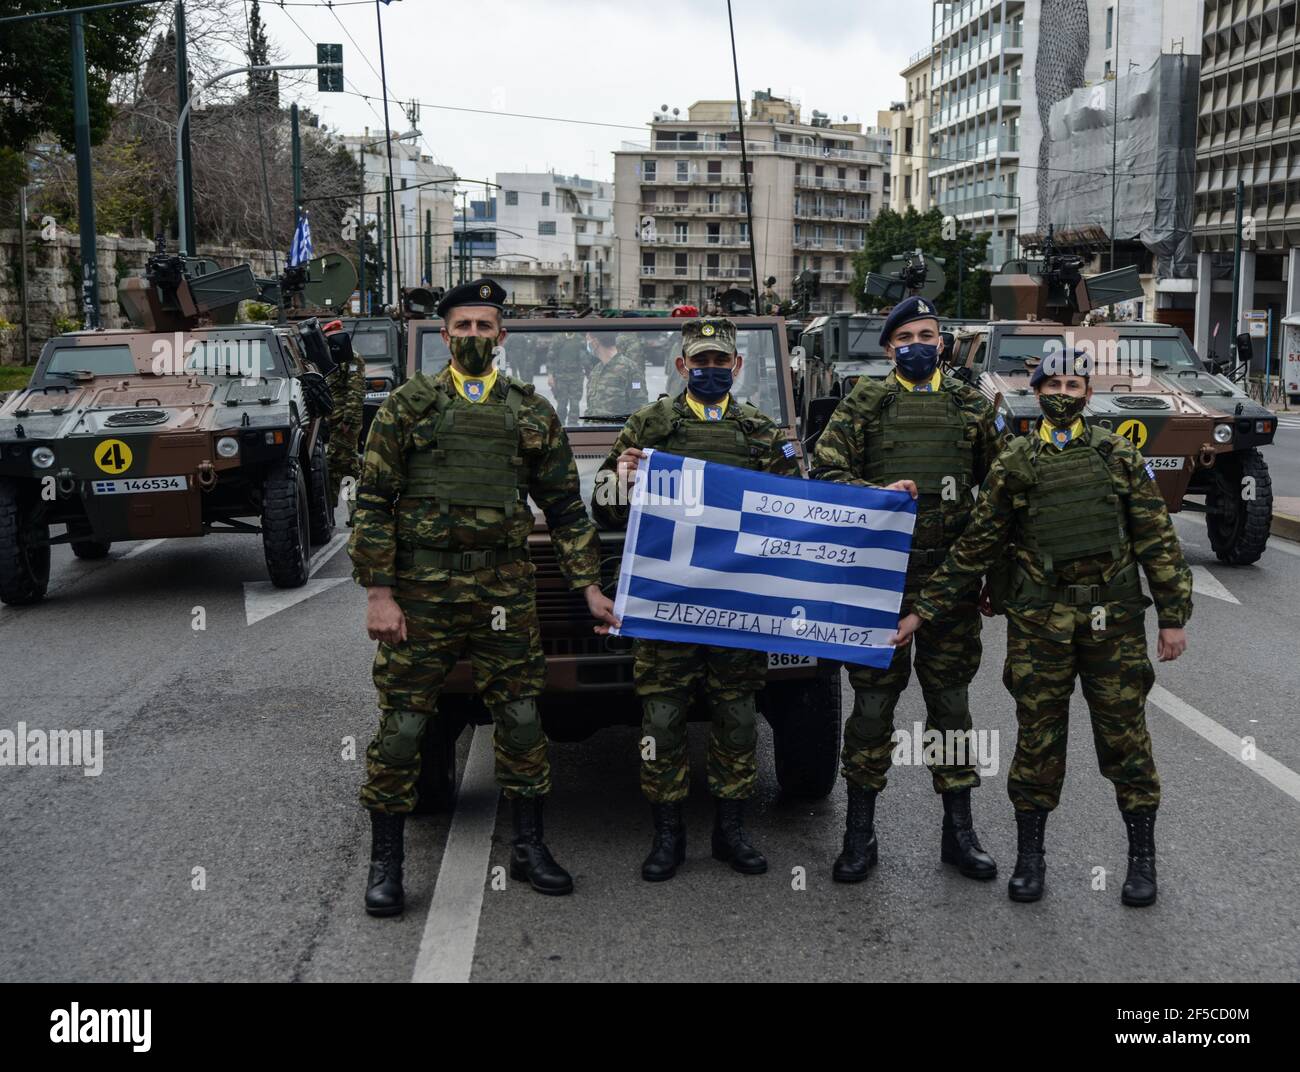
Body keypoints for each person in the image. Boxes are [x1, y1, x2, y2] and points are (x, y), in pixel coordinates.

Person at [350, 278, 618, 915]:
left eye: (484, 326)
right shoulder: (407, 407)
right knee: (404, 727)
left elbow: (564, 509)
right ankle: (385, 865)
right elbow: (373, 504)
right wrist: (379, 594)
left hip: (503, 589)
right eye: (462, 327)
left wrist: (588, 588)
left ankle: (529, 848)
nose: (473, 336)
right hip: (423, 594)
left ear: (502, 335)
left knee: (523, 721)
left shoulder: (530, 412)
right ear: (445, 336)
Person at [893, 348, 1191, 907]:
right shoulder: (1015, 462)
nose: (1062, 391)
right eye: (1051, 382)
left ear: (1086, 392)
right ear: (1036, 391)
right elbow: (976, 546)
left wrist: (1172, 618)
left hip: (1112, 624)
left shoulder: (1117, 456)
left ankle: (1141, 862)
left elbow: (1157, 537)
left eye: (1073, 383)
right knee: (1038, 743)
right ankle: (1031, 861)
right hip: (1040, 628)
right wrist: (924, 610)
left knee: (1126, 741)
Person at [592, 317, 801, 881]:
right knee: (661, 721)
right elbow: (604, 509)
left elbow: (793, 515)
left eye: (720, 361)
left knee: (736, 719)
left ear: (736, 366)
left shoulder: (760, 431)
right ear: (682, 366)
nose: (709, 370)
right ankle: (667, 835)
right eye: (699, 361)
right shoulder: (651, 423)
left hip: (735, 605)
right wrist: (623, 477)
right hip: (668, 603)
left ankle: (731, 832)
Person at [811, 295, 1004, 884]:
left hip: (949, 585)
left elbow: (1001, 495)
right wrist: (876, 491)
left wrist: (993, 577)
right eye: (908, 336)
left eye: (930, 333)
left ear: (941, 343)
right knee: (872, 711)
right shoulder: (864, 403)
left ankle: (959, 833)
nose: (921, 343)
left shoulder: (973, 406)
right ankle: (859, 836)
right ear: (890, 346)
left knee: (951, 710)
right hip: (880, 586)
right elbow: (825, 474)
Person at [321, 319, 365, 514]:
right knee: (337, 465)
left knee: (344, 466)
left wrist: (348, 420)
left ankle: (352, 511)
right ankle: (337, 510)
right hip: (334, 421)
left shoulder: (352, 358)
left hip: (345, 422)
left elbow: (355, 392)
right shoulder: (332, 357)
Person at [583, 330, 647, 418]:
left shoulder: (630, 369)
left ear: (595, 342)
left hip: (616, 430)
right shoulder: (596, 370)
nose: (587, 344)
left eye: (588, 340)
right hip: (594, 429)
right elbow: (591, 408)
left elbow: (640, 408)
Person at [546, 331, 587, 425]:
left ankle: (573, 425)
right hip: (561, 377)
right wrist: (550, 375)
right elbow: (550, 358)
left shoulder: (579, 339)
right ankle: (560, 426)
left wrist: (589, 373)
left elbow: (584, 358)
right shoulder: (558, 339)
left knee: (575, 404)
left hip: (576, 377)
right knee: (561, 404)